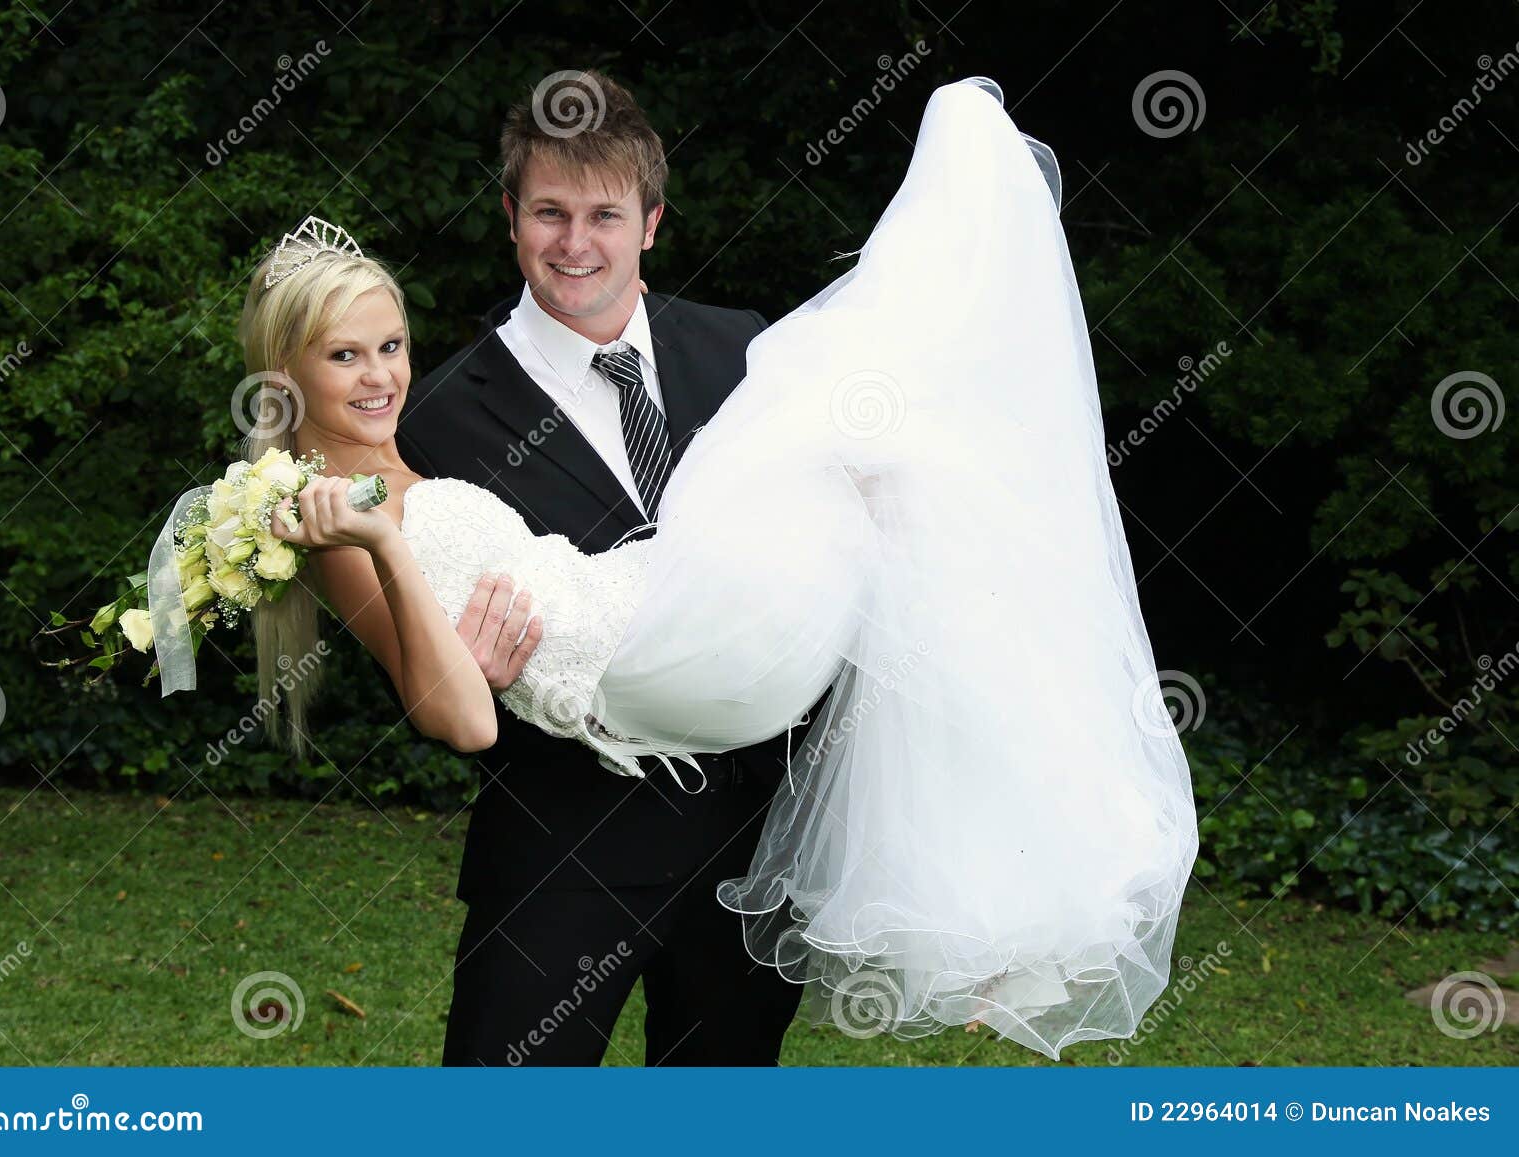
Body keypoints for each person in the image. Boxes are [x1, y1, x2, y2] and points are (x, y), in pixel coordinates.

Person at [162, 72, 1198, 1063]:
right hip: (565, 851)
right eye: (549, 214)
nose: (576, 243)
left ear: (650, 223)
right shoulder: (433, 414)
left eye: (604, 215)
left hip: (750, 852)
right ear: (512, 219)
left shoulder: (752, 358)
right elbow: (426, 655)